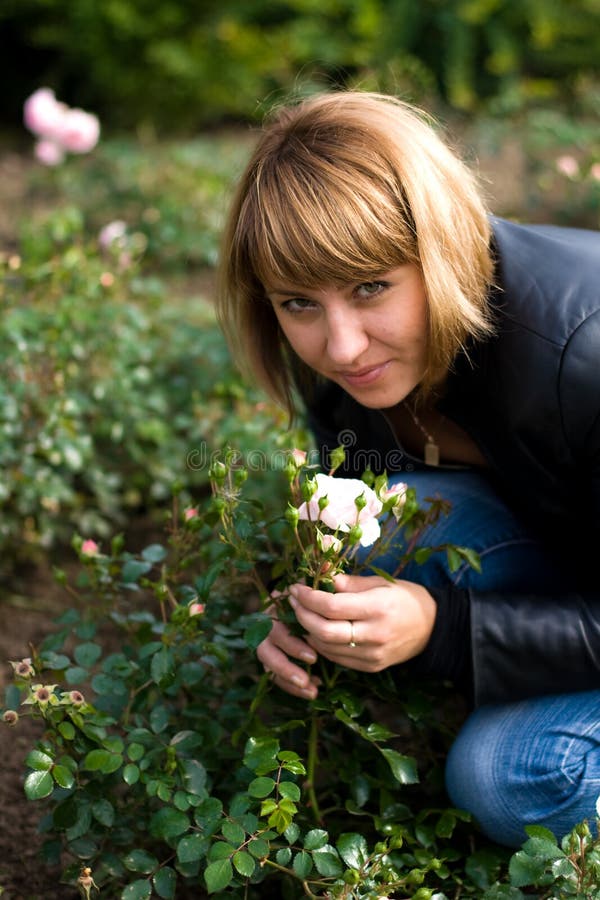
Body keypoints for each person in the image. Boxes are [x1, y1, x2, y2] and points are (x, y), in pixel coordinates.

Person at [216, 90, 600, 849]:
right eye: (299, 303)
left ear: (442, 244)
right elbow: (352, 500)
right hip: (572, 564)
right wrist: (303, 607)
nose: (344, 346)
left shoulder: (581, 354)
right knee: (371, 524)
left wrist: (443, 630)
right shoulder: (339, 362)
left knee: (512, 773)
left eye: (371, 288)